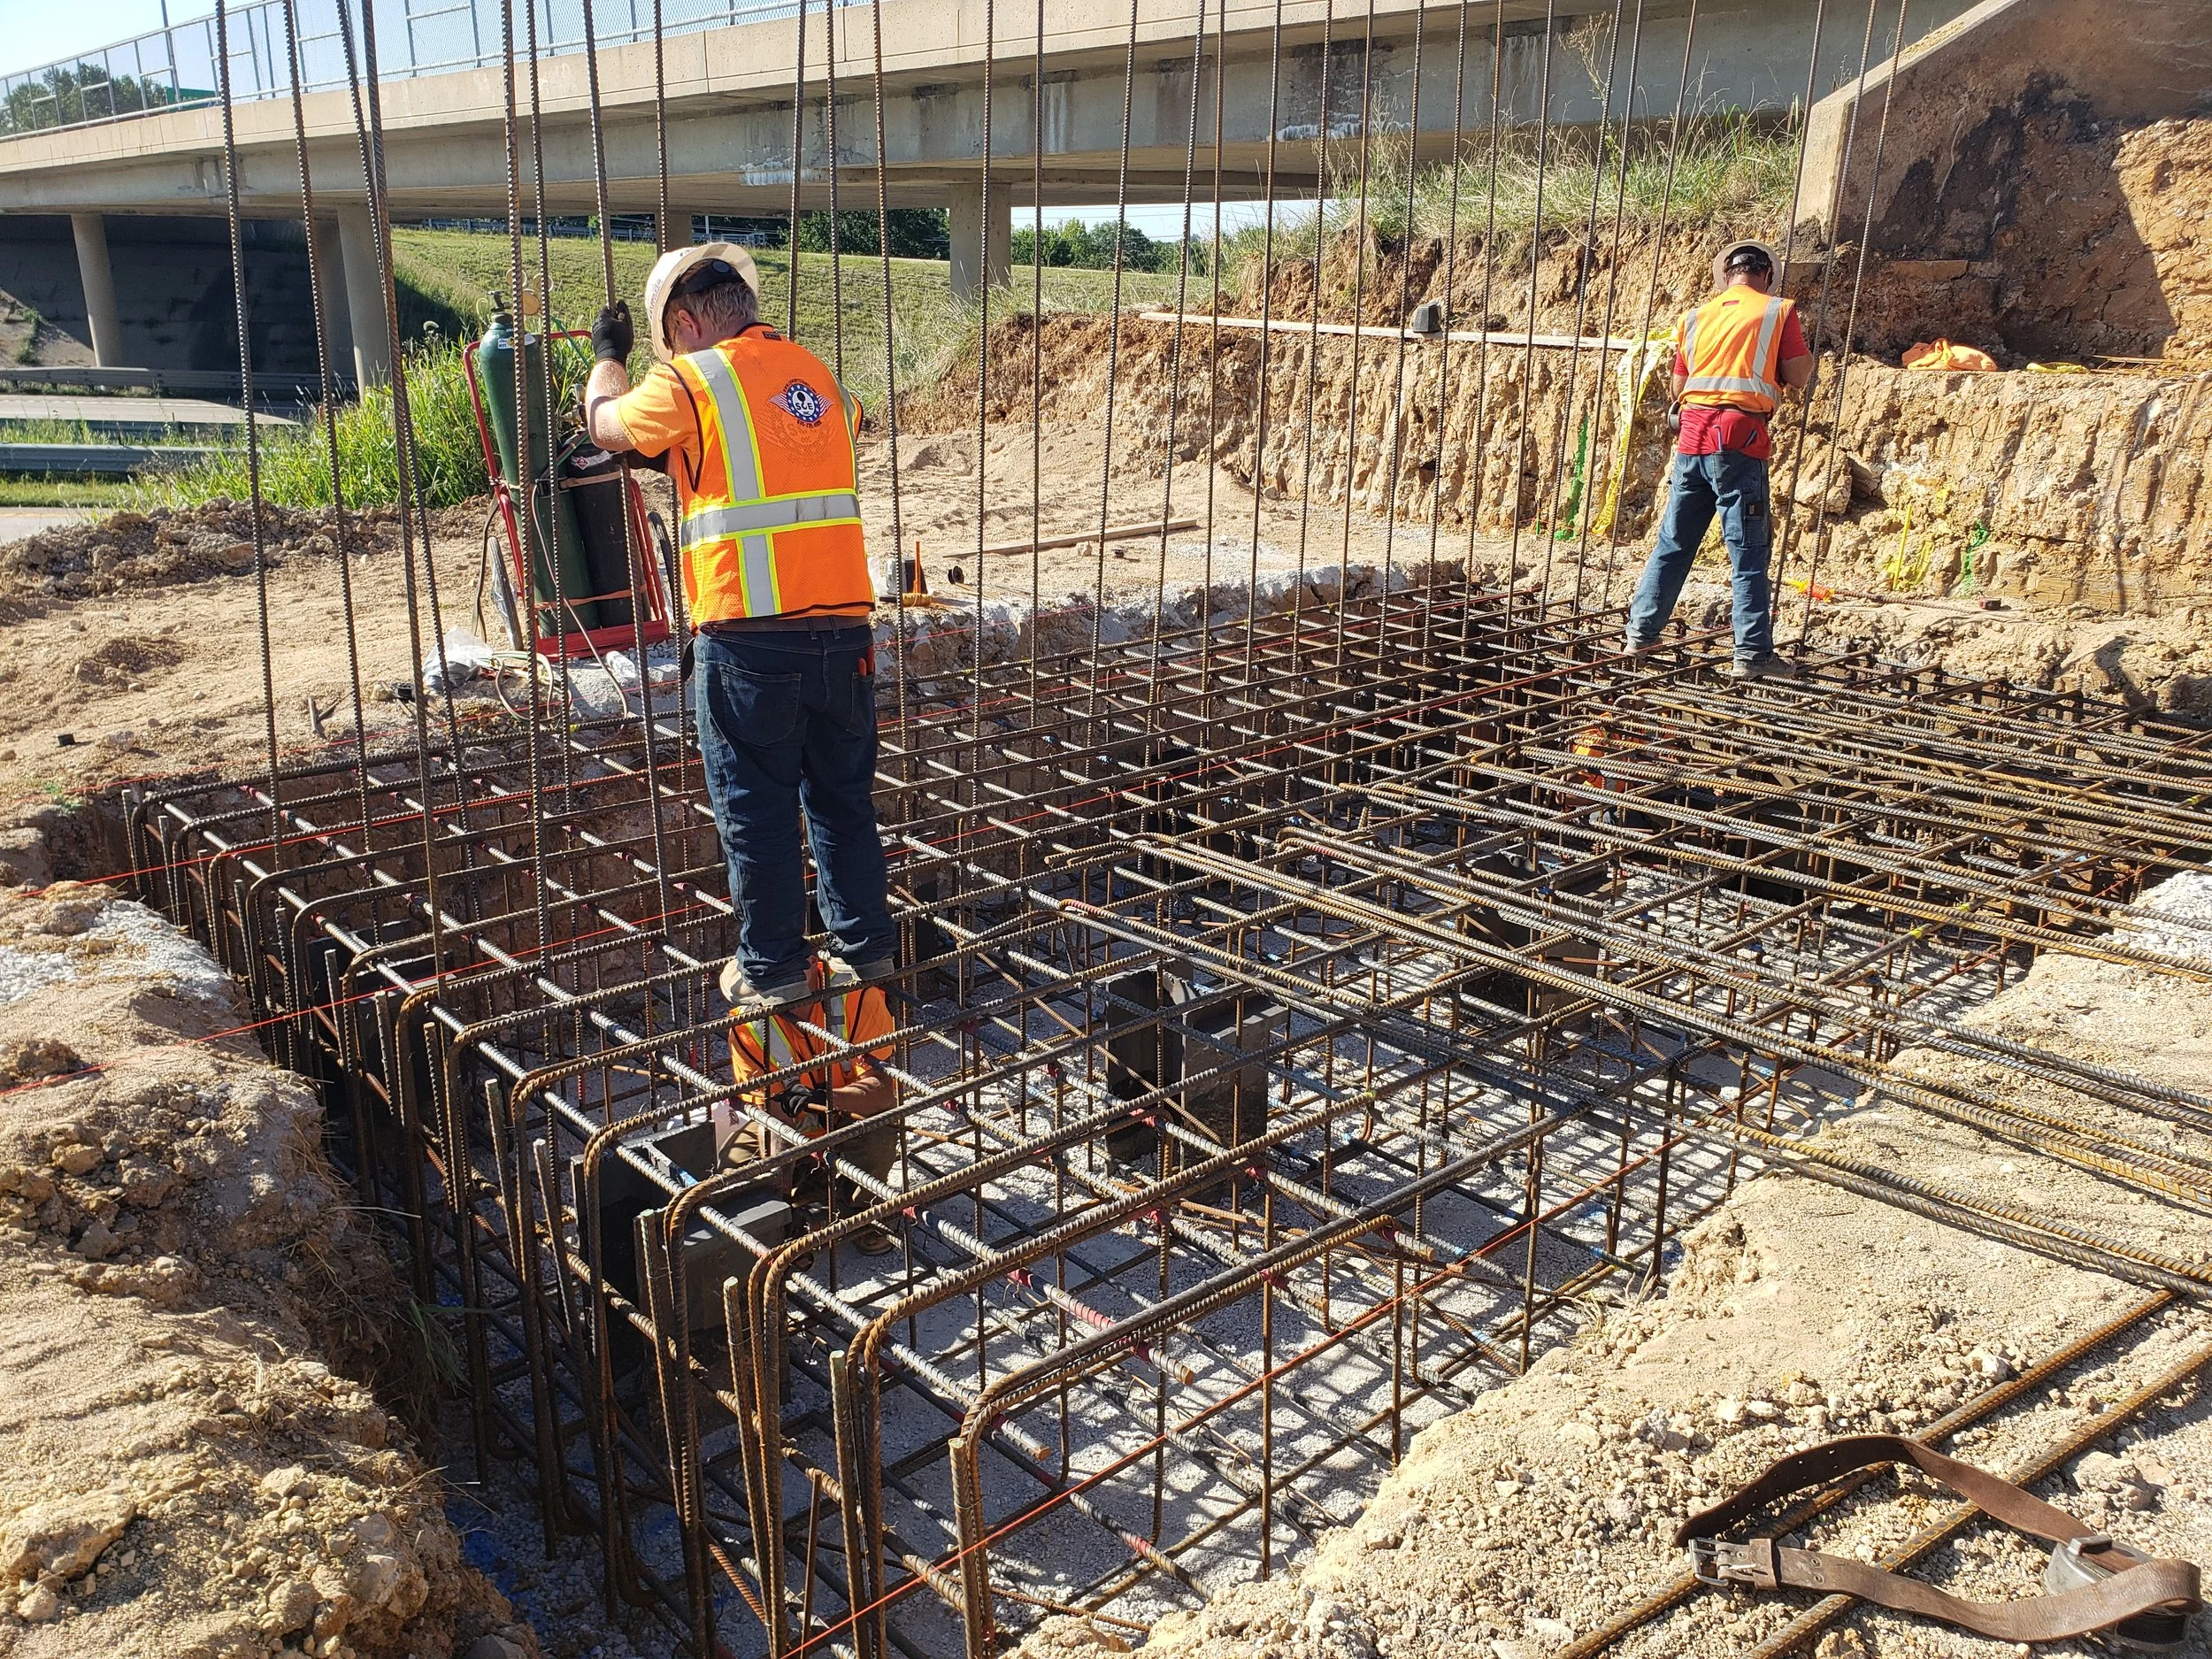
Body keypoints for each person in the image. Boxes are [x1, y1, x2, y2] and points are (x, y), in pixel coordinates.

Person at [583, 244, 897, 1013]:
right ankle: (867, 956)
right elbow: (807, 438)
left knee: (755, 809)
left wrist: (608, 355)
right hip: (845, 635)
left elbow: (604, 427)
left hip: (750, 642)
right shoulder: (817, 376)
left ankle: (774, 970)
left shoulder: (691, 378)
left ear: (684, 323)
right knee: (842, 801)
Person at [1624, 239, 1816, 678]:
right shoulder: (1777, 310)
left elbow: (1678, 387)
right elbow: (1797, 375)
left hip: (1692, 435)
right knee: (1748, 551)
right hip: (1739, 439)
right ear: (1766, 276)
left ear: (1726, 276)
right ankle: (1752, 654)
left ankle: (1640, 634)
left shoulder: (1694, 317)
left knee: (1674, 542)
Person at [724, 962, 901, 1256]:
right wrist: (779, 1194)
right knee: (735, 1167)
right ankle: (797, 1198)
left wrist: (824, 1098)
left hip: (847, 1115)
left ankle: (863, 1208)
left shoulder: (855, 996)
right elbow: (771, 1119)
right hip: (795, 1130)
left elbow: (881, 1092)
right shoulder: (746, 1028)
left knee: (880, 1122)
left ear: (810, 964)